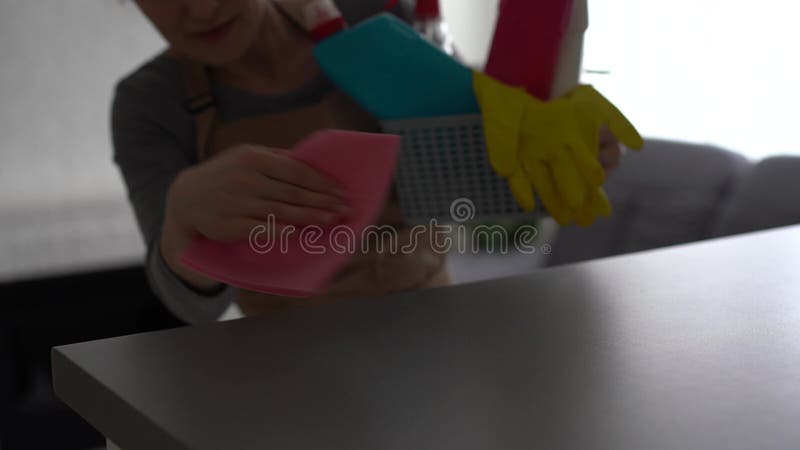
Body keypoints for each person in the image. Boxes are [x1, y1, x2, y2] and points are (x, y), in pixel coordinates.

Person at [113, 0, 623, 324]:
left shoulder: (373, 24)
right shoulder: (150, 104)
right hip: (282, 369)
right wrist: (182, 221)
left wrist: (559, 154)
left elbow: (484, 189)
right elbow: (190, 305)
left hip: (438, 332)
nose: (201, 9)